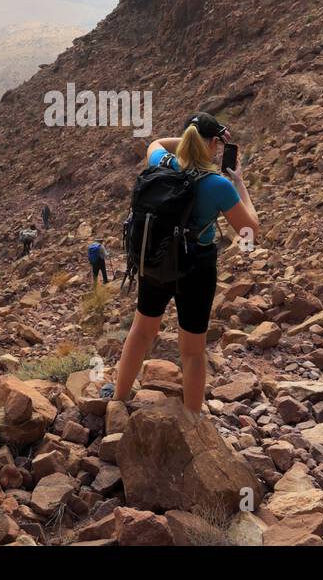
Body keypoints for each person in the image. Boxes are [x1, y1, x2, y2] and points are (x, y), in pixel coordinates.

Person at [103, 112, 259, 414]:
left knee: (142, 330)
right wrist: (240, 183)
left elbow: (157, 142)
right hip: (196, 268)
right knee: (192, 350)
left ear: (186, 139)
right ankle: (192, 418)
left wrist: (193, 137)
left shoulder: (162, 162)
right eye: (215, 144)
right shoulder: (218, 185)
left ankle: (119, 399)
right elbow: (249, 230)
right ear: (214, 144)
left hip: (156, 259)